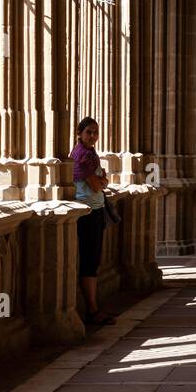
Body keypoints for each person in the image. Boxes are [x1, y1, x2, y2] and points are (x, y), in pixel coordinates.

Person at [70, 117, 115, 325]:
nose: (93, 136)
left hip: (94, 210)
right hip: (88, 213)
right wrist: (102, 181)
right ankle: (92, 310)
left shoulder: (90, 153)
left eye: (96, 132)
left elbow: (101, 180)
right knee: (89, 261)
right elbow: (98, 185)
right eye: (89, 132)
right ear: (79, 133)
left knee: (92, 260)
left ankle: (92, 307)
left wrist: (102, 180)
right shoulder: (83, 155)